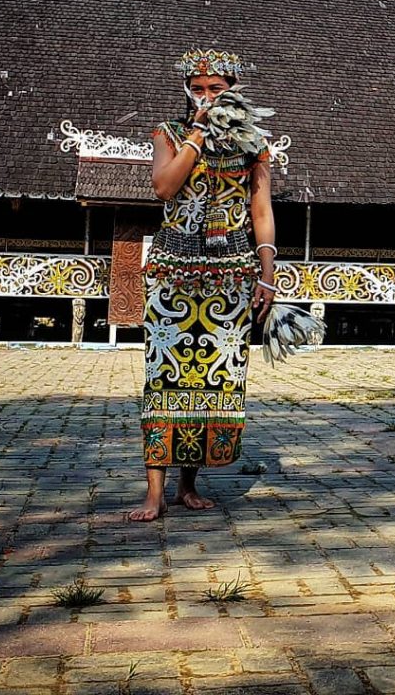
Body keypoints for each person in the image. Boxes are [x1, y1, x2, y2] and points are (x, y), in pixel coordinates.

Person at [128, 49, 276, 522]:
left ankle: (187, 485)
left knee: (213, 381)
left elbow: (261, 210)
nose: (208, 97)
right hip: (173, 271)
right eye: (199, 89)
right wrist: (196, 132)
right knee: (165, 377)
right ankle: (154, 491)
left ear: (233, 88)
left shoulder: (253, 146)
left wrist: (268, 274)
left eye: (217, 89)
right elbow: (163, 187)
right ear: (187, 90)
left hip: (231, 274)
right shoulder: (169, 134)